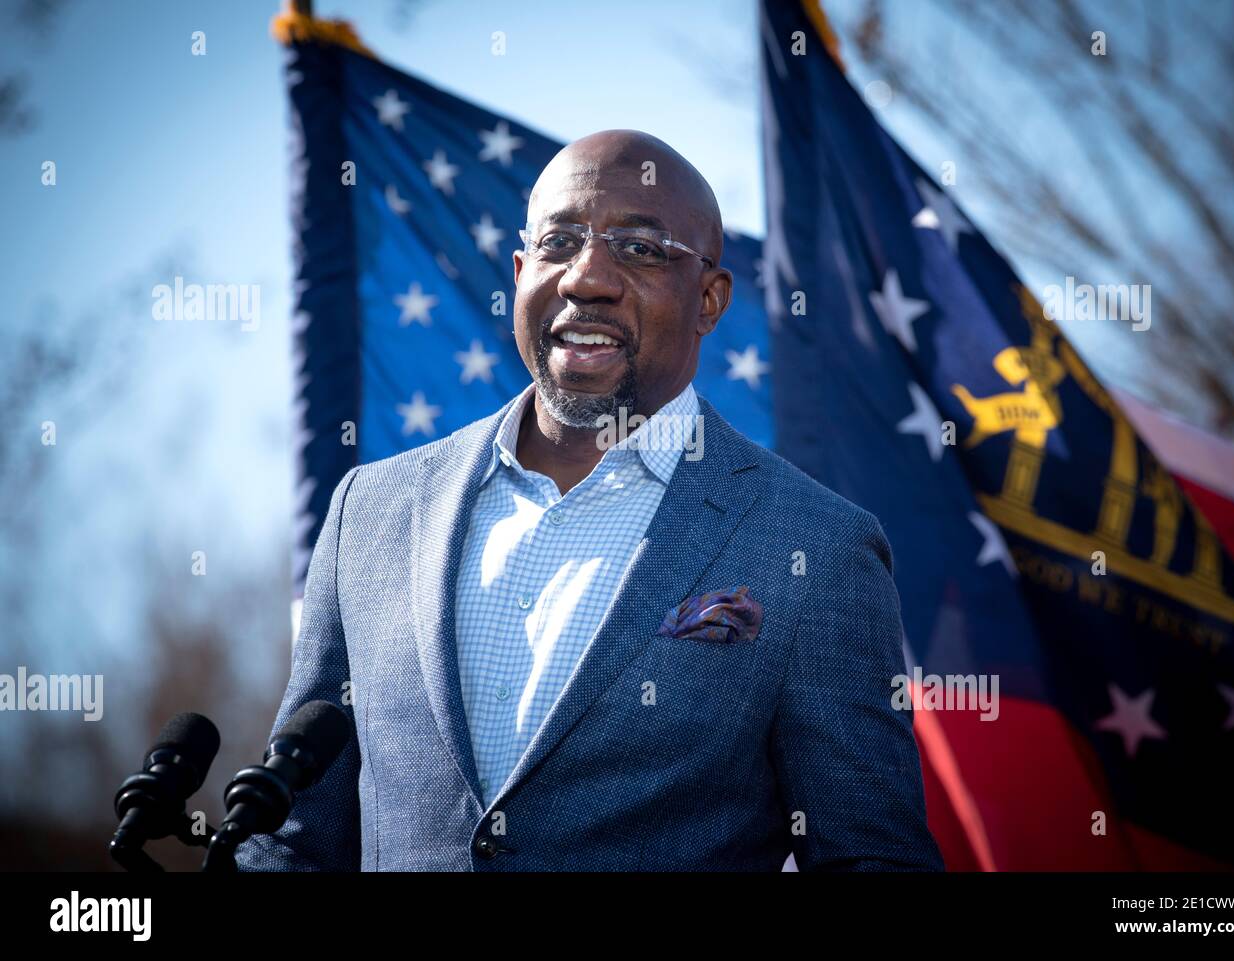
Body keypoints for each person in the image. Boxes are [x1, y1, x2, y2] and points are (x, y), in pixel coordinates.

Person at [237, 130, 943, 871]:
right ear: (519, 272)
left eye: (640, 248)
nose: (587, 278)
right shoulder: (369, 512)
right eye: (559, 241)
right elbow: (294, 840)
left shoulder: (819, 547)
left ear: (709, 299)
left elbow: (872, 858)